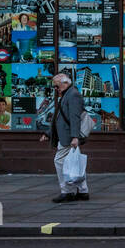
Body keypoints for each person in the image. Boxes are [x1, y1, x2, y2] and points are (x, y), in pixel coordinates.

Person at [39, 72, 89, 202]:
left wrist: (75, 137)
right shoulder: (67, 94)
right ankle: (83, 191)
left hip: (68, 136)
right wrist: (48, 134)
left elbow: (74, 118)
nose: (56, 89)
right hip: (66, 135)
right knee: (75, 162)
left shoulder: (73, 95)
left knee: (59, 161)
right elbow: (58, 118)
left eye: (57, 86)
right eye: (54, 87)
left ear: (66, 83)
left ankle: (67, 191)